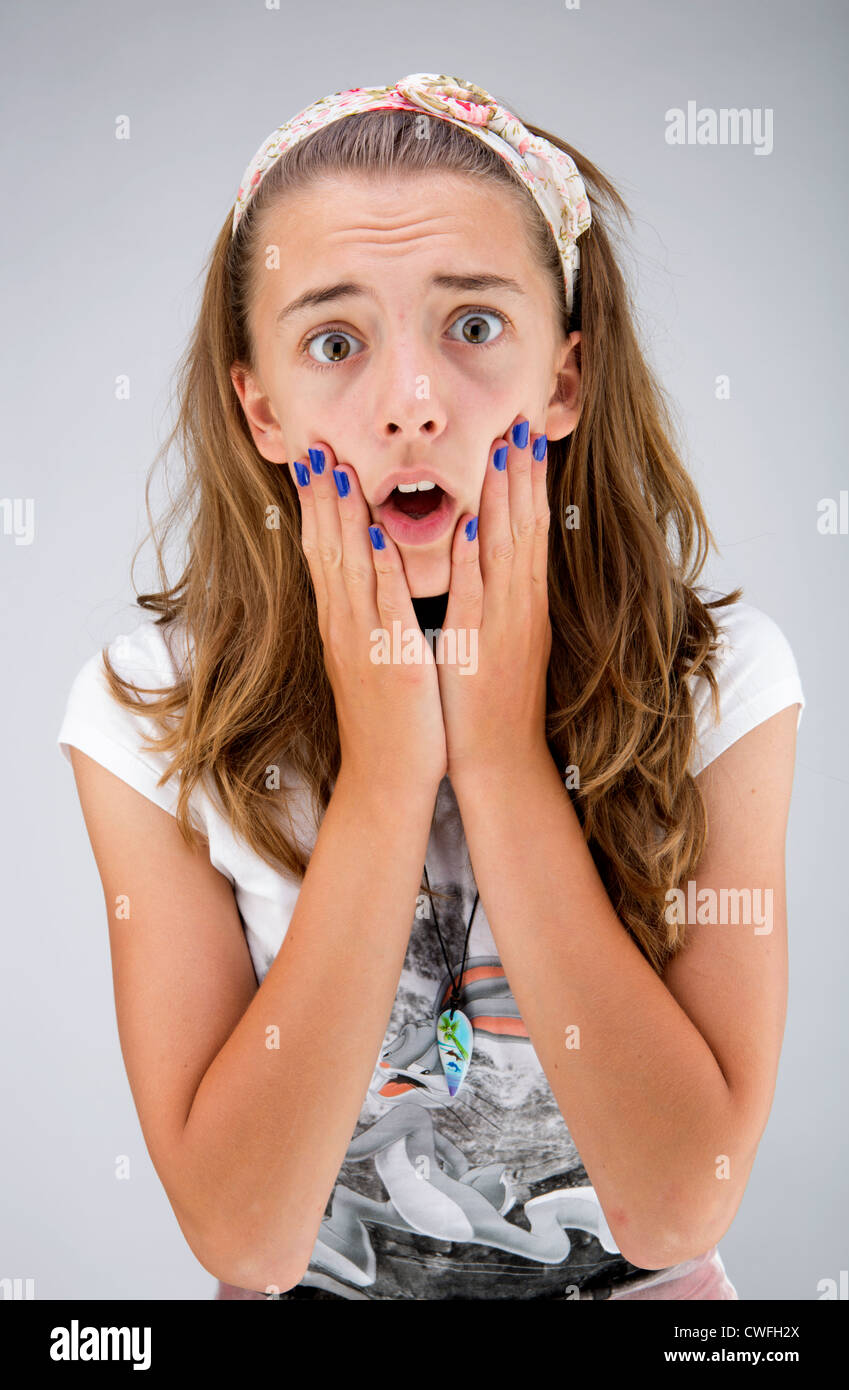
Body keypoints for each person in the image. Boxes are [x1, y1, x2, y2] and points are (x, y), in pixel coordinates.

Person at [57, 73, 805, 1301]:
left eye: (471, 327)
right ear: (262, 408)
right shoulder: (147, 714)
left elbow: (677, 1205)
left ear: (561, 382)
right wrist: (392, 774)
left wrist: (505, 759)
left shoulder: (721, 687)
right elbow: (244, 1242)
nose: (411, 404)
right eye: (336, 342)